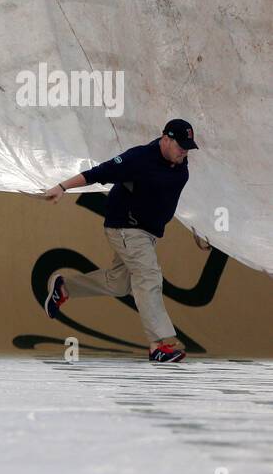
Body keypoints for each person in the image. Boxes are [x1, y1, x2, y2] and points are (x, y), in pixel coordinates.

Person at [41, 120, 198, 362]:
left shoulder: (179, 163)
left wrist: (199, 227)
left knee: (119, 284)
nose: (184, 152)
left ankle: (63, 288)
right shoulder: (139, 159)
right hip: (126, 227)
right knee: (148, 276)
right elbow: (98, 173)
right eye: (181, 146)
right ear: (165, 139)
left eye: (188, 147)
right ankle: (159, 345)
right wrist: (62, 187)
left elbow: (172, 197)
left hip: (148, 234)